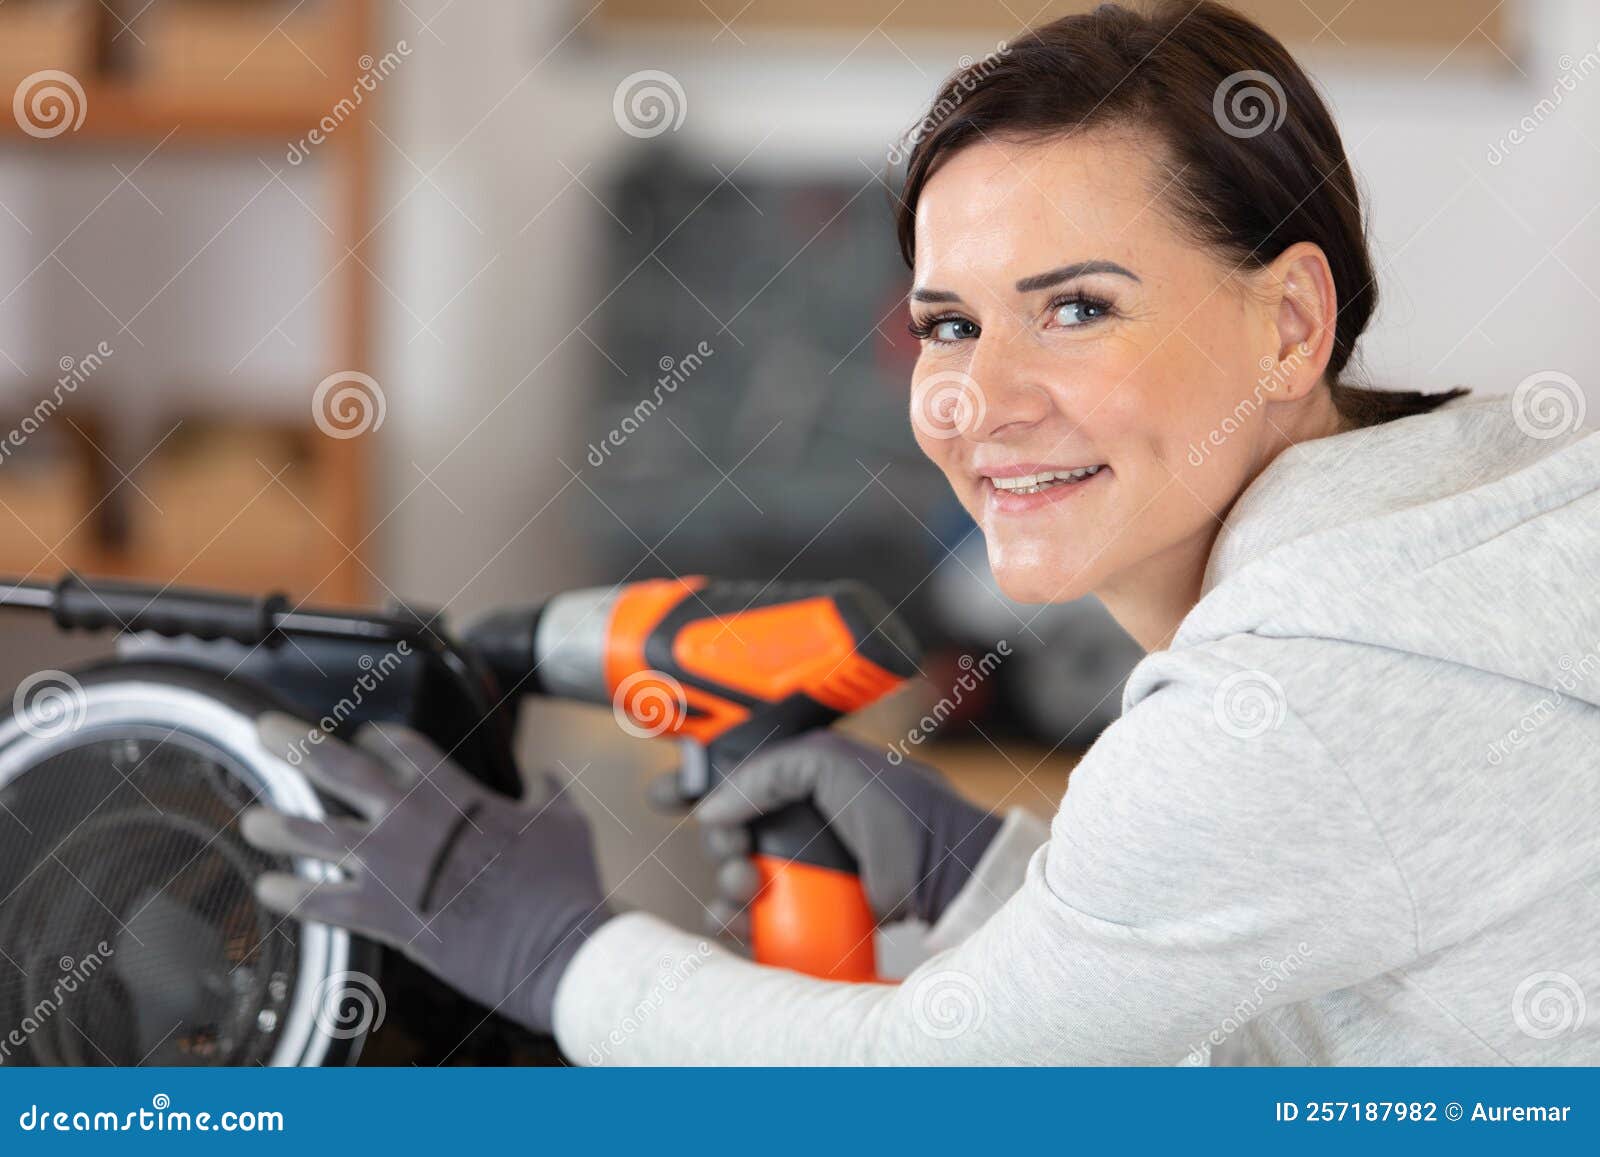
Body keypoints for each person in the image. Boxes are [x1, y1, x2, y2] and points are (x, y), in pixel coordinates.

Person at [240, 0, 1600, 1064]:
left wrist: (553, 948)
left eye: (1077, 308)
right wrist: (992, 874)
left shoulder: (1288, 701)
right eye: (949, 322)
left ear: (1291, 324)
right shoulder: (1491, 509)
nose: (979, 403)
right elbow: (1307, 1040)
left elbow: (910, 1091)